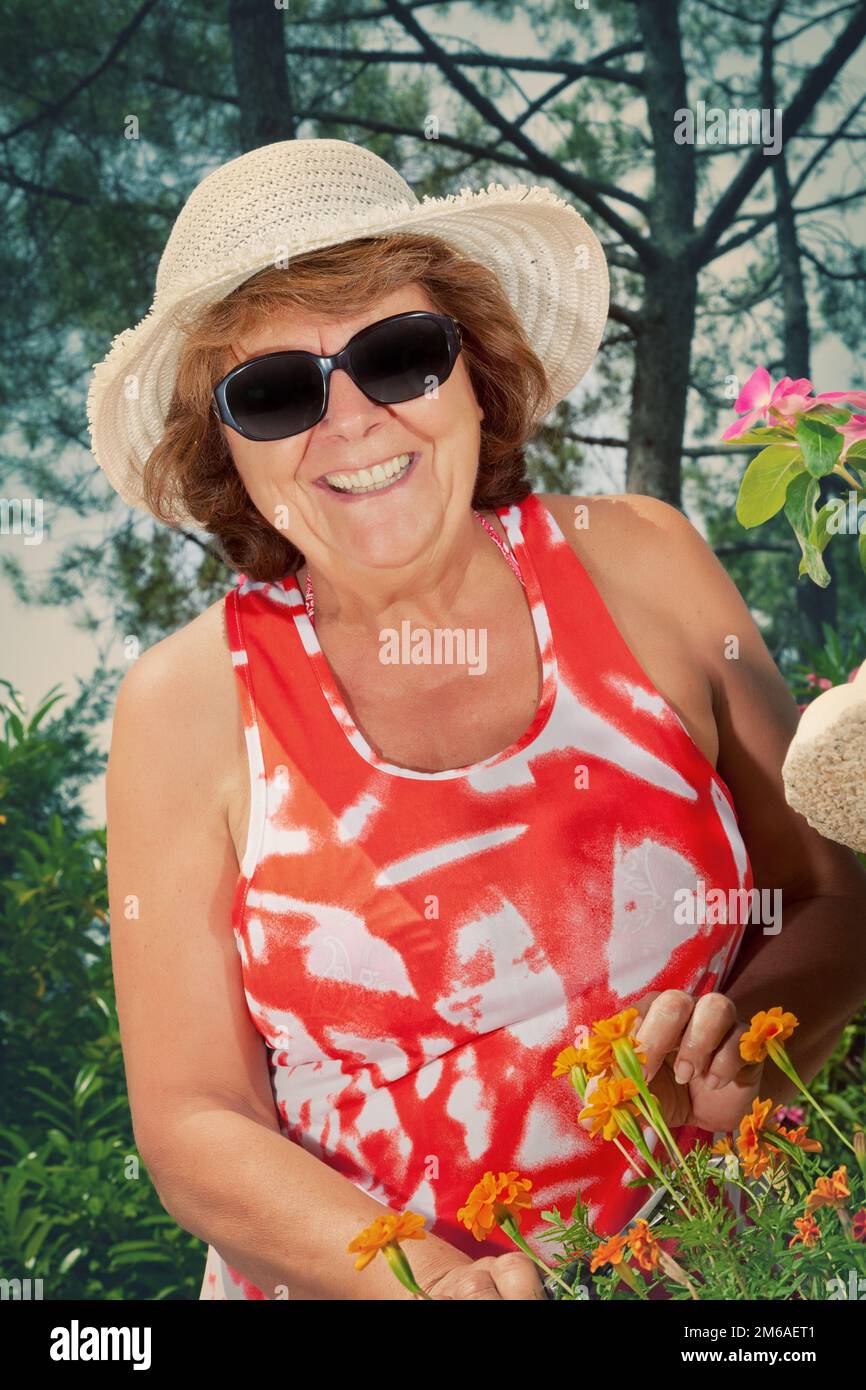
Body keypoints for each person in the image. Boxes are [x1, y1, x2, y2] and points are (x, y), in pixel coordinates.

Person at [89, 138, 866, 1301]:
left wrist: (745, 1037)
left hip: (719, 1285)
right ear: (227, 450)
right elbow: (194, 1119)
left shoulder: (644, 558)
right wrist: (428, 1284)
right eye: (275, 392)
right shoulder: (180, 703)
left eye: (397, 356)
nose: (348, 422)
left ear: (471, 371)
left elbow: (830, 898)